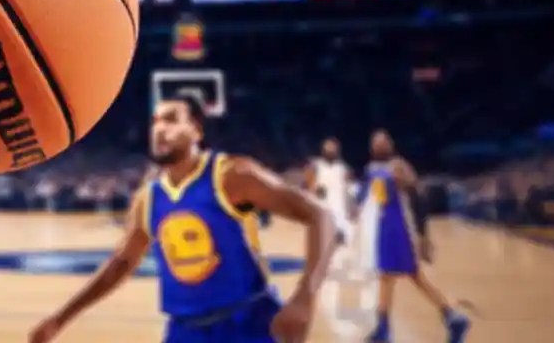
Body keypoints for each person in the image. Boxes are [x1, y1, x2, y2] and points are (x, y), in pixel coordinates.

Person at [28, 96, 337, 343]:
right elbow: (119, 266)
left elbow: (321, 216)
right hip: (184, 331)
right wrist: (60, 319)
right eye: (156, 121)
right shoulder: (148, 197)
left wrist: (305, 296)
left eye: (172, 119)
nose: (160, 129)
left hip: (247, 323)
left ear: (197, 130)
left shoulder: (232, 175)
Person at [357, 130, 469, 343]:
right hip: (383, 229)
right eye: (375, 143)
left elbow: (418, 200)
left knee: (414, 275)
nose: (379, 145)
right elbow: (367, 198)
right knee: (386, 276)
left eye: (383, 142)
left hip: (401, 228)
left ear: (390, 144)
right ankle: (383, 328)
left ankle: (452, 315)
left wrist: (423, 234)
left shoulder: (399, 166)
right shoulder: (371, 169)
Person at [304, 138, 354, 267]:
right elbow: (309, 185)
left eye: (333, 148)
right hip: (322, 208)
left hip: (339, 210)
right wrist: (314, 190)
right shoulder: (316, 165)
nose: (330, 151)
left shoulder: (343, 168)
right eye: (328, 148)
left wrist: (352, 208)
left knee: (341, 242)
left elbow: (349, 190)